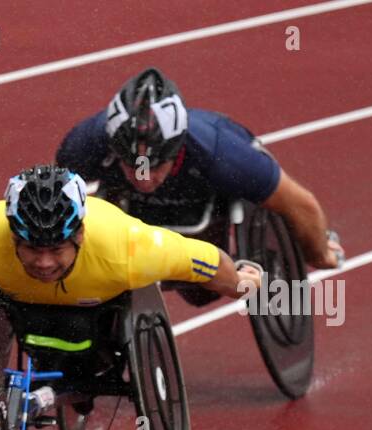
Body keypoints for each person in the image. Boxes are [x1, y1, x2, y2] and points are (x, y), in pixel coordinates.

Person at [0, 164, 261, 415]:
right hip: (26, 311)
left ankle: (78, 376)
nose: (44, 263)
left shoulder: (128, 249)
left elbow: (206, 260)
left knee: (83, 332)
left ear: (80, 236)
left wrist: (239, 283)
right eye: (32, 248)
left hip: (98, 316)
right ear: (12, 237)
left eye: (56, 249)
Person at [56, 68, 343, 275]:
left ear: (177, 149)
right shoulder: (83, 146)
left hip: (206, 203)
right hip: (133, 211)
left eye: (155, 166)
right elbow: (56, 207)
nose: (144, 176)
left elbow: (300, 204)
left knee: (200, 294)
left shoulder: (222, 151)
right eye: (132, 164)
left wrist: (318, 254)